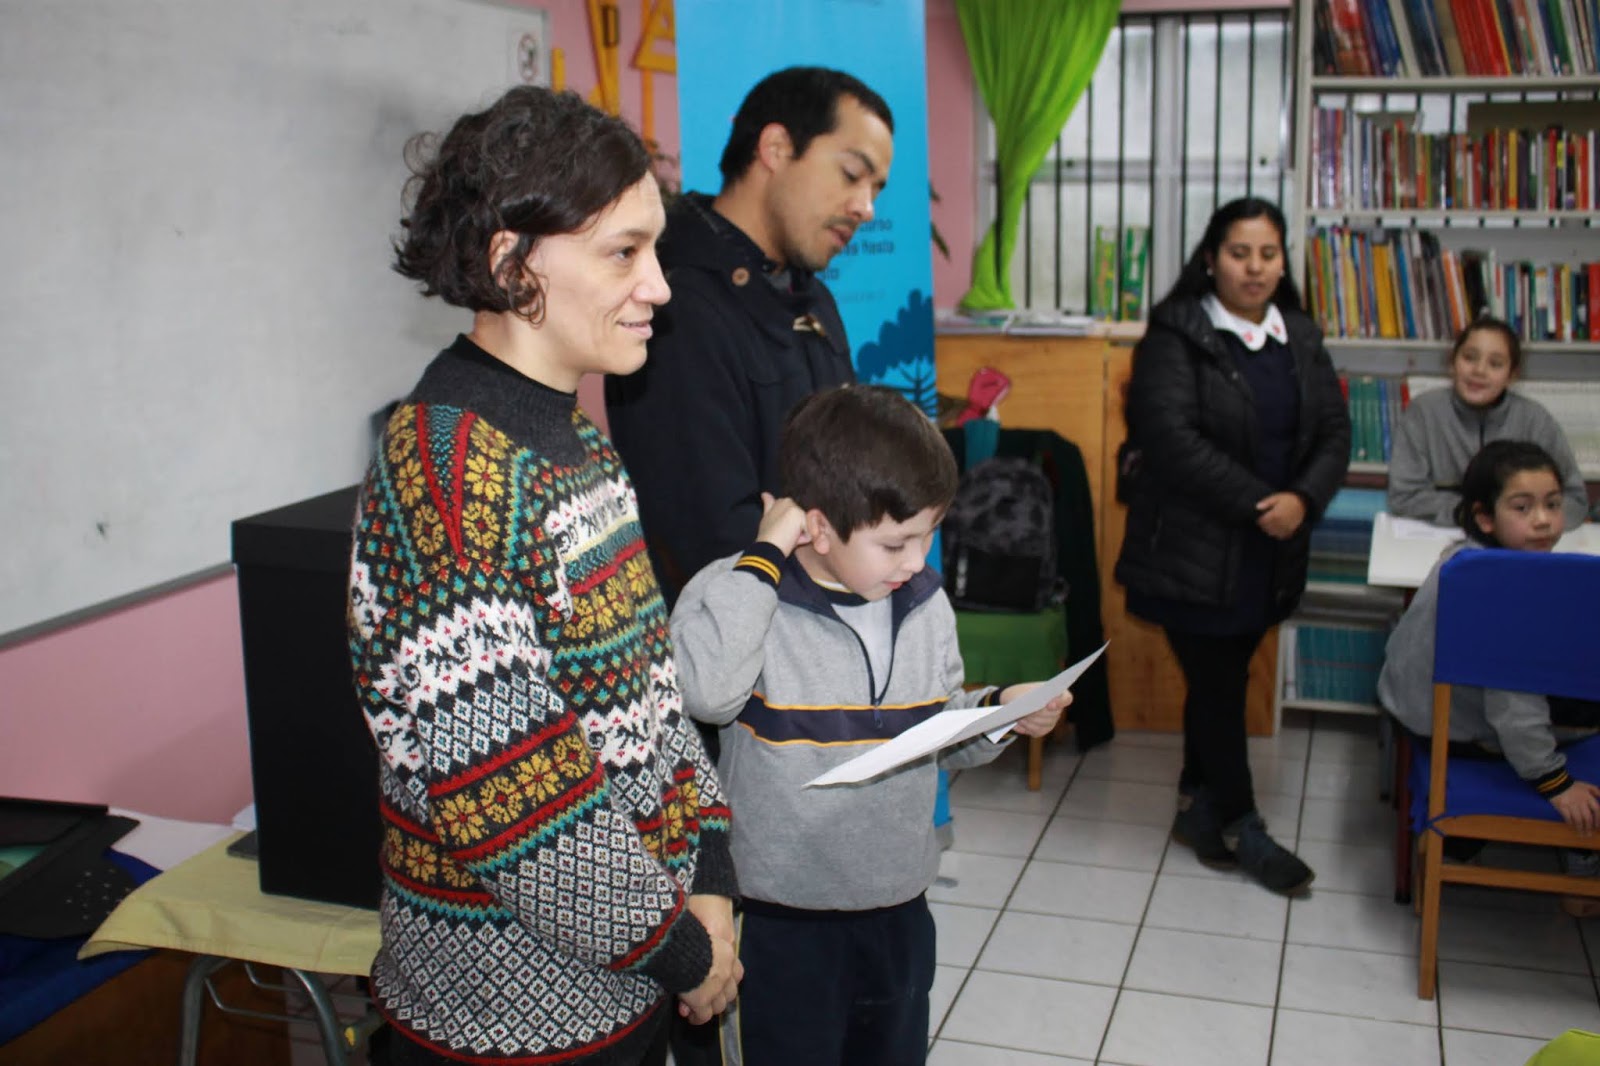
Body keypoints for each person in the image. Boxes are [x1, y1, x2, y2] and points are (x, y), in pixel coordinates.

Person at [345, 87, 739, 1066]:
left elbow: (654, 697)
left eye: (654, 250)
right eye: (623, 253)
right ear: (511, 263)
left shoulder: (575, 441)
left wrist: (709, 870)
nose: (659, 286)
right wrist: (687, 952)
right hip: (508, 1027)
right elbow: (520, 800)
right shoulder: (443, 477)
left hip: (631, 985)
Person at [670, 384, 1071, 1066]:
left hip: (897, 911)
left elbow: (939, 731)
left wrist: (1004, 709)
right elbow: (708, 694)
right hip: (779, 922)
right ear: (818, 527)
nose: (917, 561)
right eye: (895, 544)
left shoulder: (923, 603)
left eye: (928, 535)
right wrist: (766, 554)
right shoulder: (735, 594)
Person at [1113, 197, 1352, 896]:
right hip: (1190, 550)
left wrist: (1302, 500)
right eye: (1239, 253)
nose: (1254, 268)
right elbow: (1171, 441)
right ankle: (1243, 823)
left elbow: (1334, 432)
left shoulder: (1299, 333)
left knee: (1223, 676)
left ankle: (1198, 804)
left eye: (1268, 254)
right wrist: (1262, 506)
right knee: (1219, 684)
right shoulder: (1175, 335)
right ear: (1212, 258)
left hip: (1268, 551)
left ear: (1283, 262)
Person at [605, 66, 895, 603]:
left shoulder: (814, 298)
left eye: (876, 188)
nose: (866, 207)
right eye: (852, 174)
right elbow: (711, 542)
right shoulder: (674, 304)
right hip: (737, 636)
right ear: (776, 149)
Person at [1378, 440, 1600, 831]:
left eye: (1552, 504)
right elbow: (1513, 706)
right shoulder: (1502, 590)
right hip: (1453, 729)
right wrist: (1556, 783)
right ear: (1484, 518)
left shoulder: (1466, 560)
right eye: (1522, 508)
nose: (1543, 520)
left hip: (1416, 706)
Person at [1387, 316, 1588, 530]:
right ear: (1452, 363)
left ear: (1512, 375)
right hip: (1443, 532)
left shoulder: (1535, 420)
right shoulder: (1423, 413)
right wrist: (1477, 516)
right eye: (1469, 358)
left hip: (1520, 537)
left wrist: (1520, 519)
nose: (1479, 371)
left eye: (1495, 364)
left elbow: (1575, 499)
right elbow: (1404, 496)